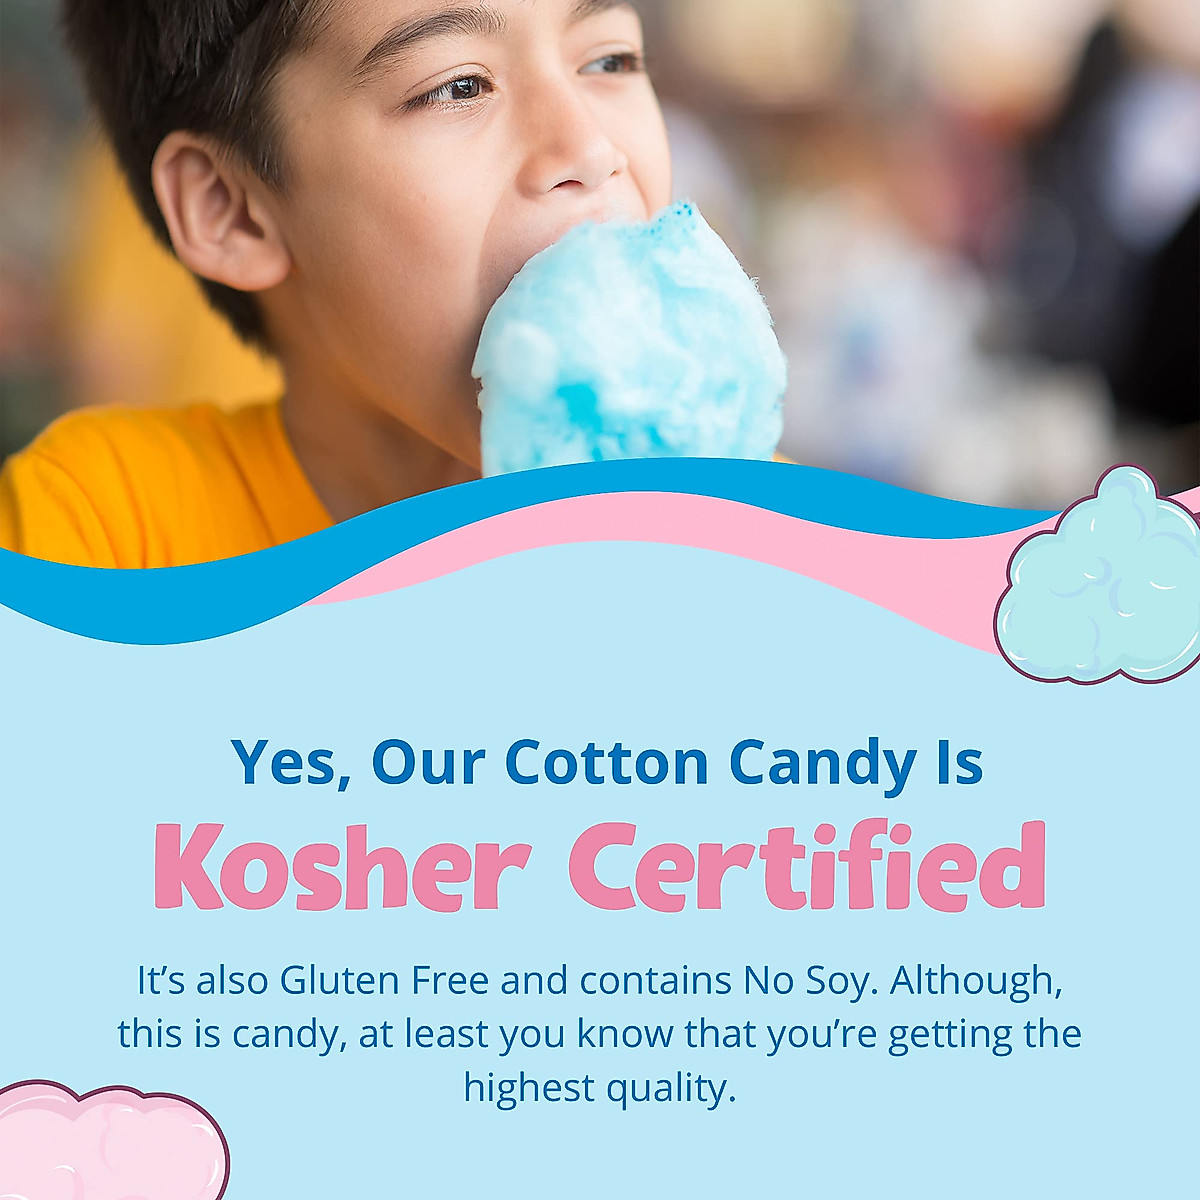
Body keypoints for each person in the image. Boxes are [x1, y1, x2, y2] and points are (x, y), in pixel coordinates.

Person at [0, 0, 673, 566]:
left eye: (609, 61)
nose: (591, 150)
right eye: (459, 86)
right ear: (233, 211)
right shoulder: (103, 533)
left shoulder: (728, 515)